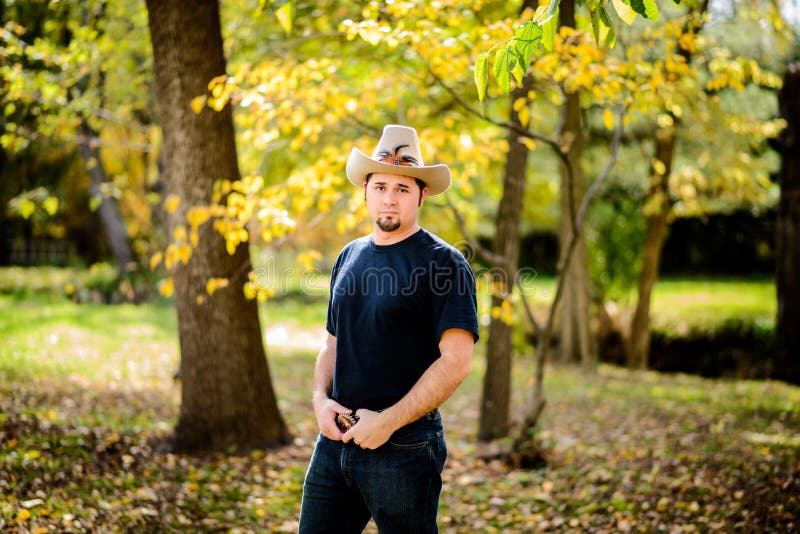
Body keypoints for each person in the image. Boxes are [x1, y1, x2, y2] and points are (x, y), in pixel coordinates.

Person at [298, 125, 480, 533]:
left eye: (402, 188)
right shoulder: (349, 255)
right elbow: (332, 343)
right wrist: (320, 400)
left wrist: (388, 422)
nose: (389, 198)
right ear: (365, 189)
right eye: (380, 186)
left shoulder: (444, 264)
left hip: (404, 448)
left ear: (422, 194)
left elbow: (456, 362)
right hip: (335, 443)